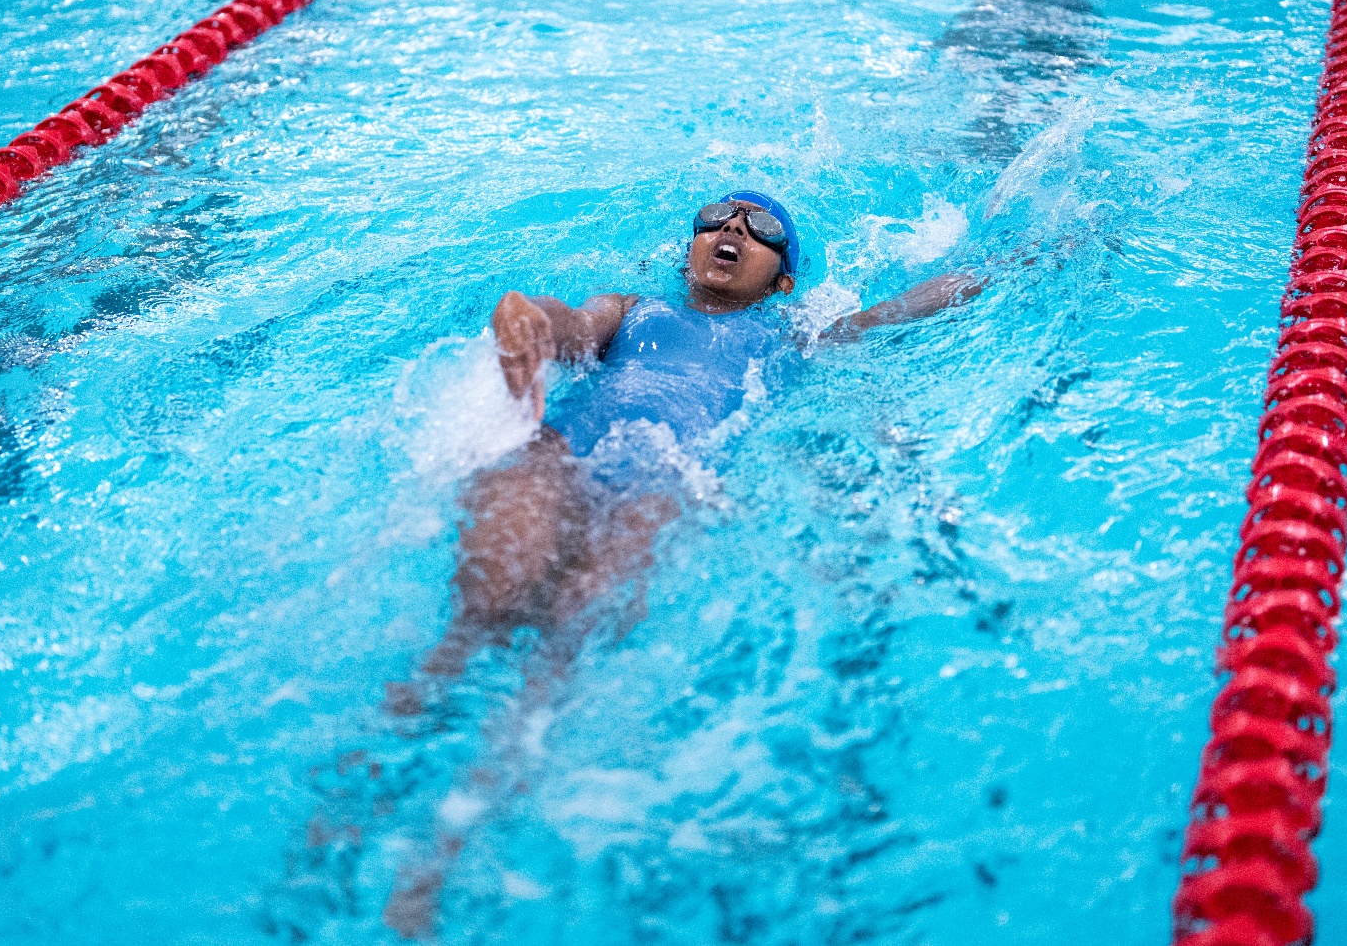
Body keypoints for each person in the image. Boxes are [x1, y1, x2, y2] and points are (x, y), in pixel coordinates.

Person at [379, 190, 991, 935]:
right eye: (717, 219)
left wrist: (1001, 265)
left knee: (559, 653)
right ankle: (352, 804)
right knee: (476, 620)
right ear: (691, 250)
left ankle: (437, 862)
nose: (732, 228)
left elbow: (895, 311)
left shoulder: (796, 339)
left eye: (761, 228)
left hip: (665, 483)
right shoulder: (632, 310)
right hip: (561, 459)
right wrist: (527, 316)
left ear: (782, 281)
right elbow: (565, 322)